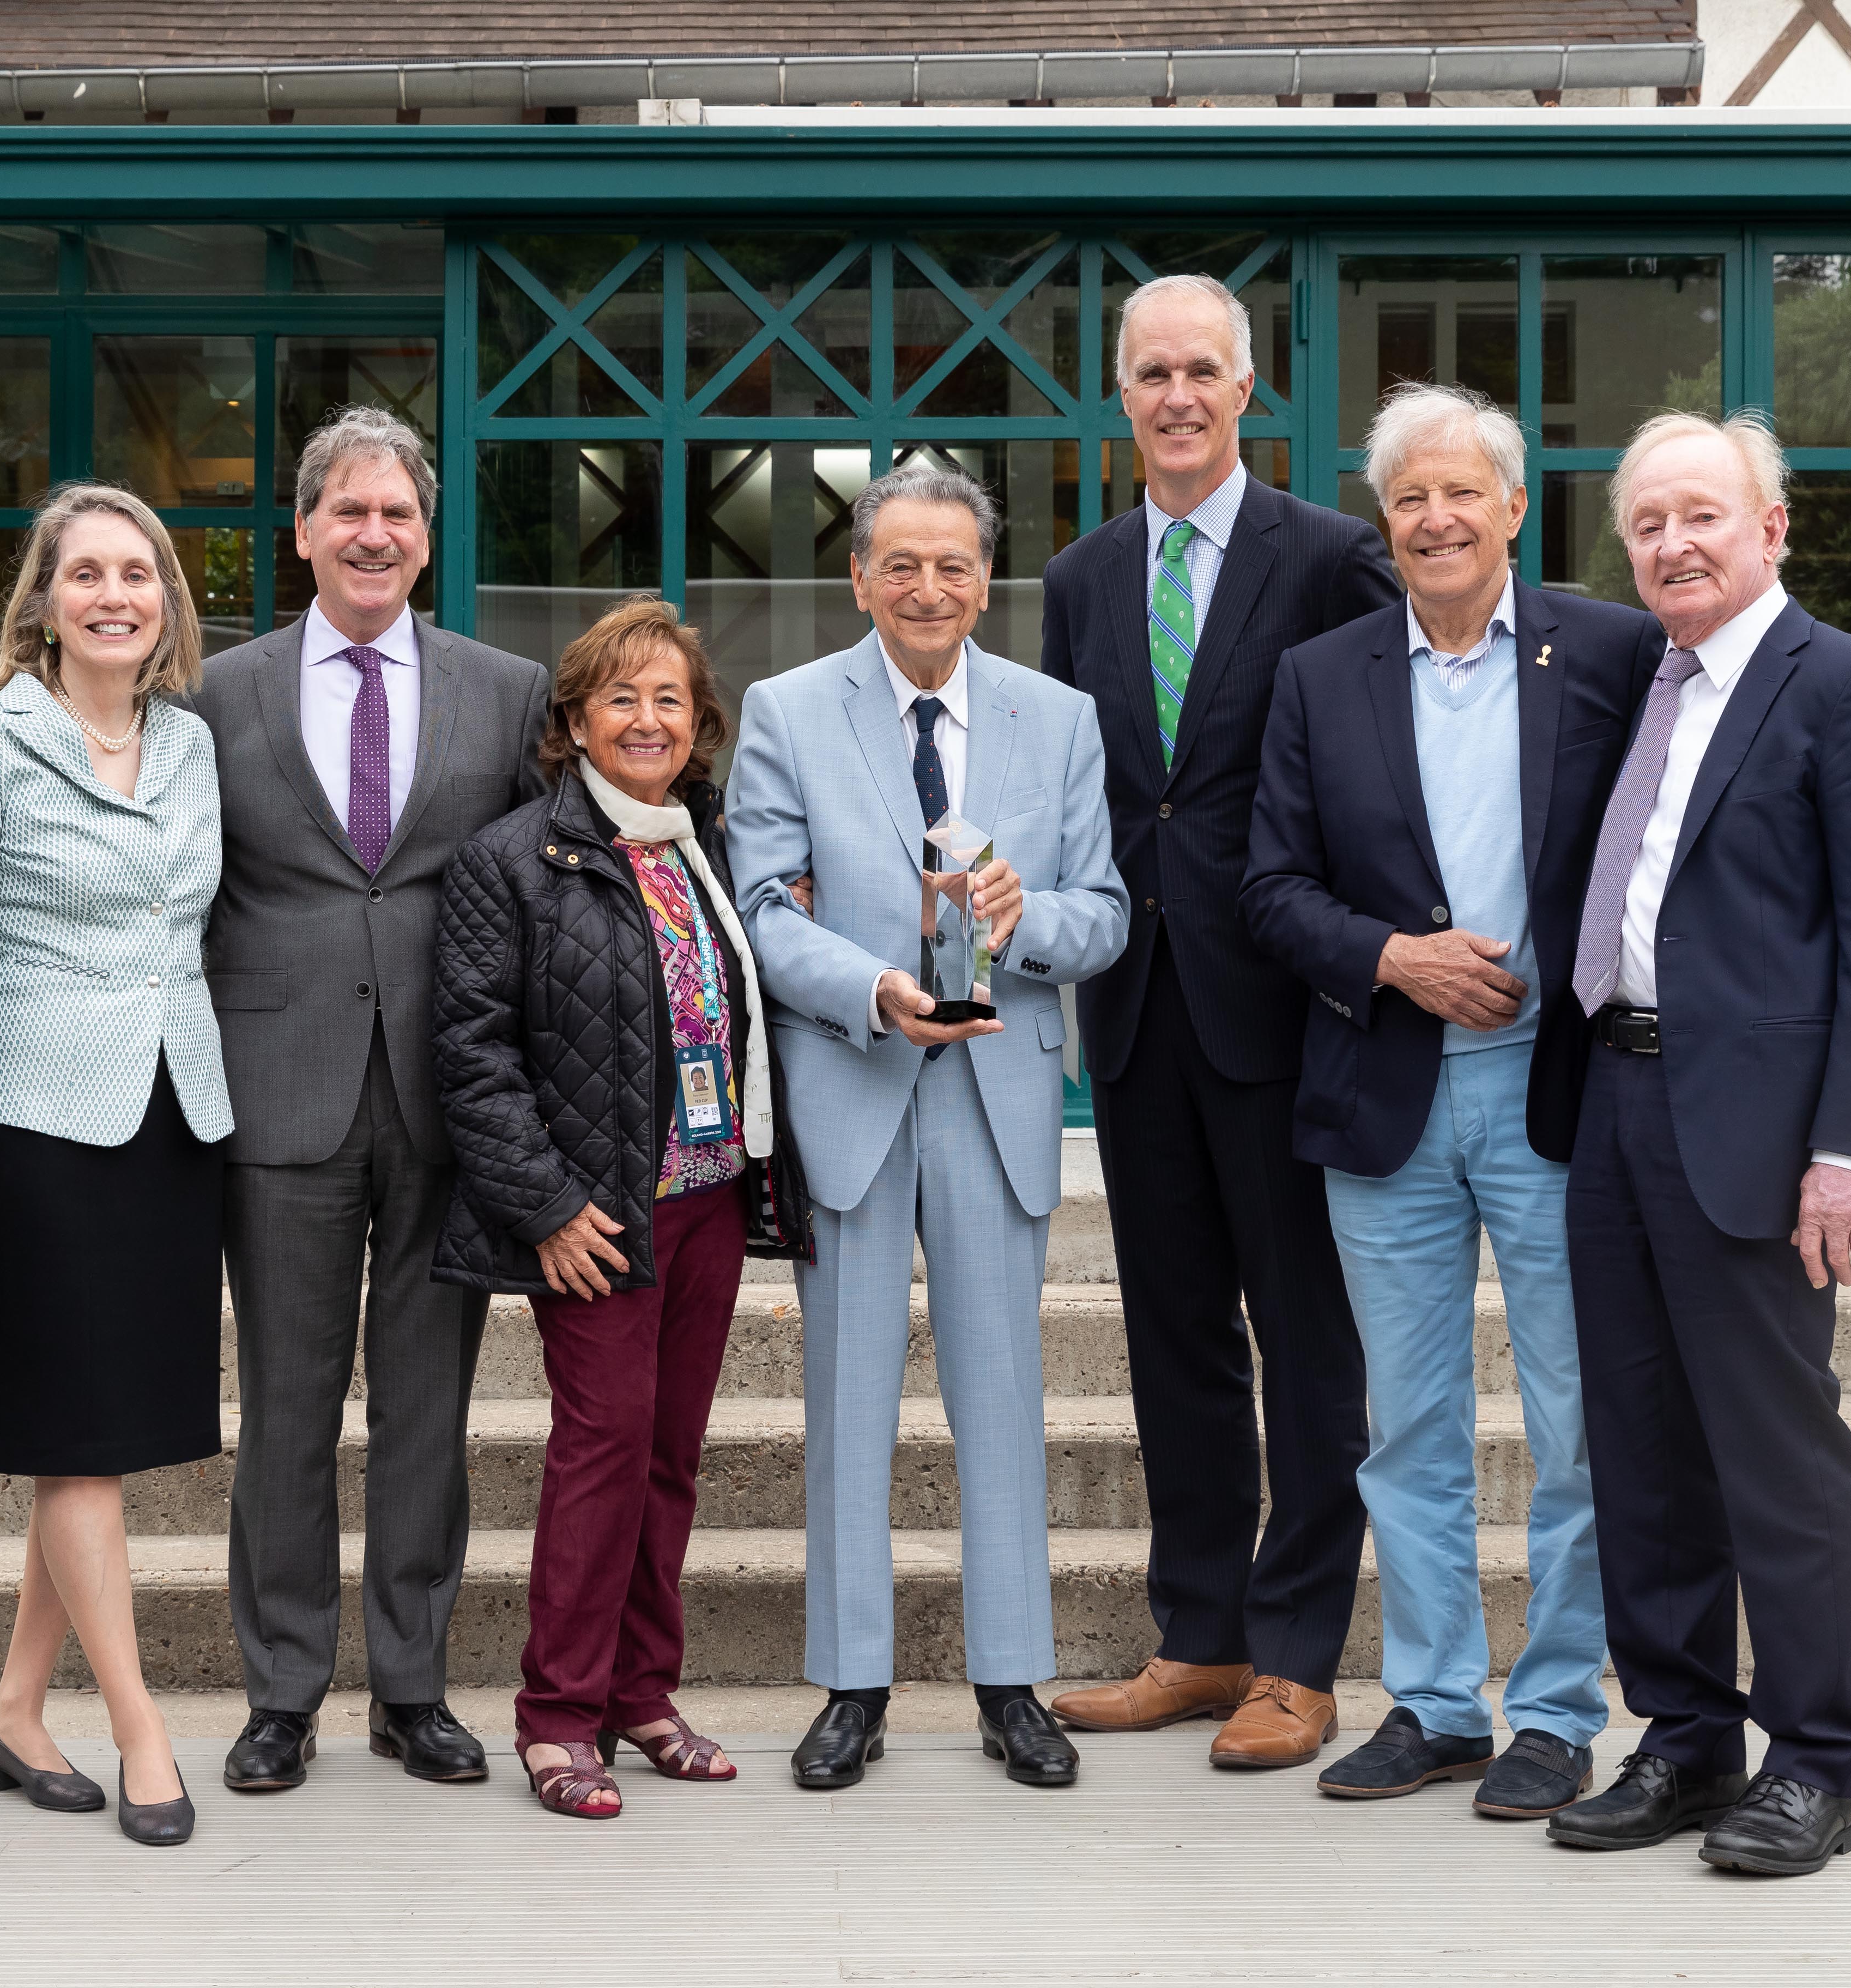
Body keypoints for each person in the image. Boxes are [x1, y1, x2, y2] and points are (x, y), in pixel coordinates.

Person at [1243, 384, 1660, 1819]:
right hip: (1385, 1100)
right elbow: (1270, 887)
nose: (1435, 519)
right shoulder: (1323, 676)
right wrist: (1391, 957)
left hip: (1562, 1100)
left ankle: (1554, 1713)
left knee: (1577, 1426)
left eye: (1462, 492)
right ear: (1384, 519)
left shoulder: (1609, 652)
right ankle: (1432, 1704)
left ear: (1515, 507)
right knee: (1408, 1426)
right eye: (1410, 497)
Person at [1546, 411, 1851, 1877]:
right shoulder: (1639, 684)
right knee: (1642, 1450)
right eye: (1648, 524)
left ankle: (1817, 1761)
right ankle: (1686, 1739)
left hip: (1761, 1132)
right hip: (1614, 1099)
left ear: (1772, 529)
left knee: (1776, 1457)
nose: (1674, 544)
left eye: (1703, 515)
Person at [1042, 274, 1401, 1767]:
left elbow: (1386, 763)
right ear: (1121, 395)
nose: (1178, 395)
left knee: (1307, 1340)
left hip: (1285, 1010)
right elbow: (1070, 790)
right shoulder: (1077, 579)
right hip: (1135, 1009)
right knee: (1174, 1332)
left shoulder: (1327, 557)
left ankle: (1298, 1656)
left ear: (1247, 390)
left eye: (1203, 370)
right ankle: (1200, 1637)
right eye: (1152, 373)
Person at [729, 460, 1128, 1793]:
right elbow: (762, 909)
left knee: (1002, 1399)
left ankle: (1013, 1684)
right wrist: (872, 991)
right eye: (899, 564)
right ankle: (852, 1686)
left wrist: (1026, 917)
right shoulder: (788, 712)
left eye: (953, 565)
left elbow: (1104, 914)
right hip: (855, 1082)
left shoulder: (1056, 719)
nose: (927, 588)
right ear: (858, 579)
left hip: (997, 1093)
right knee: (848, 1404)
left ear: (985, 581)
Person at [186, 406, 549, 1792]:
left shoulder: (505, 691)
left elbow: (541, 888)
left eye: (398, 512)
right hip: (277, 1094)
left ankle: (412, 1689)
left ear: (427, 536)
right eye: (349, 509)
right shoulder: (217, 695)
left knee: (425, 1411)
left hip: (451, 1098)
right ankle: (282, 1695)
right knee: (286, 1409)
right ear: (302, 532)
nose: (374, 533)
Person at [432, 596, 812, 1819]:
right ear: (575, 721)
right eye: (621, 698)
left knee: (669, 1457)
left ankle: (643, 1696)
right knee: (601, 1452)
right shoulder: (513, 862)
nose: (648, 719)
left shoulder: (709, 846)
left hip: (709, 1198)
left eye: (670, 699)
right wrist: (546, 1206)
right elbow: (474, 1056)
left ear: (699, 723)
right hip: (595, 1219)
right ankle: (557, 1717)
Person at [0, 483, 228, 1848]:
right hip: (34, 1124)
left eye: (140, 573)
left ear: (168, 600)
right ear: (42, 600)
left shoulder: (191, 745)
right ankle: (140, 1726)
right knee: (75, 1441)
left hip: (173, 1118)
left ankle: (13, 1710)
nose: (117, 596)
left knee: (90, 1439)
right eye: (88, 574)